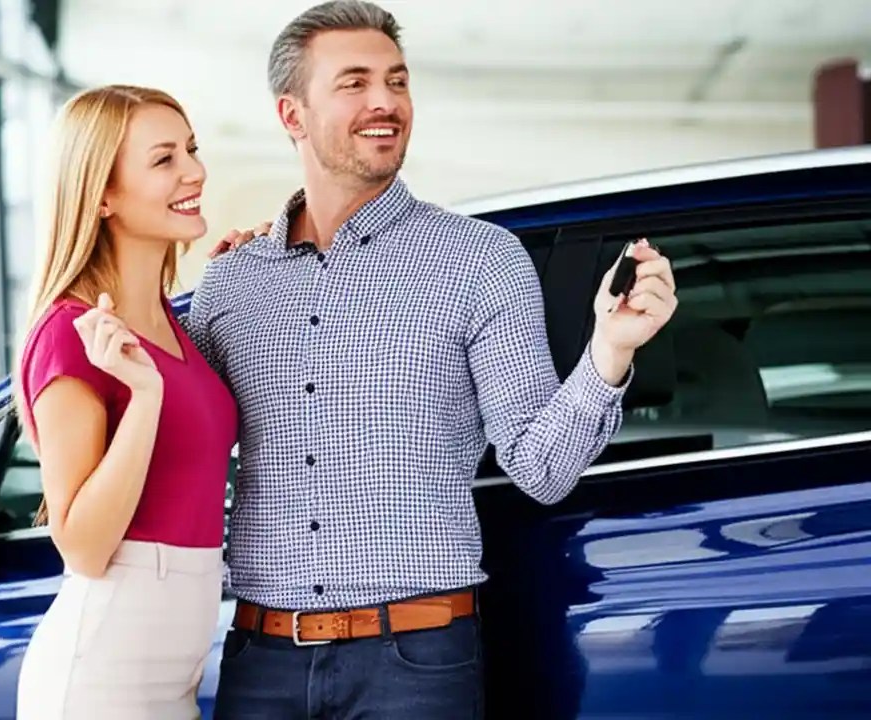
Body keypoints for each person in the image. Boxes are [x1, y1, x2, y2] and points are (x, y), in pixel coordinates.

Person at [181, 1, 680, 717]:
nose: (385, 102)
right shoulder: (233, 281)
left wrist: (610, 350)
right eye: (353, 83)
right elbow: (184, 449)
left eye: (398, 81)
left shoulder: (481, 261)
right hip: (259, 661)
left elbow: (539, 469)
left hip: (413, 664)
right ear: (292, 115)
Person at [12, 84, 238, 719]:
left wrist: (244, 281)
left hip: (174, 672)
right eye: (163, 159)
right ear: (103, 195)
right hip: (103, 676)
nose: (195, 170)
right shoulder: (72, 333)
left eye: (191, 150)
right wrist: (143, 397)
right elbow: (82, 544)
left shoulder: (171, 323)